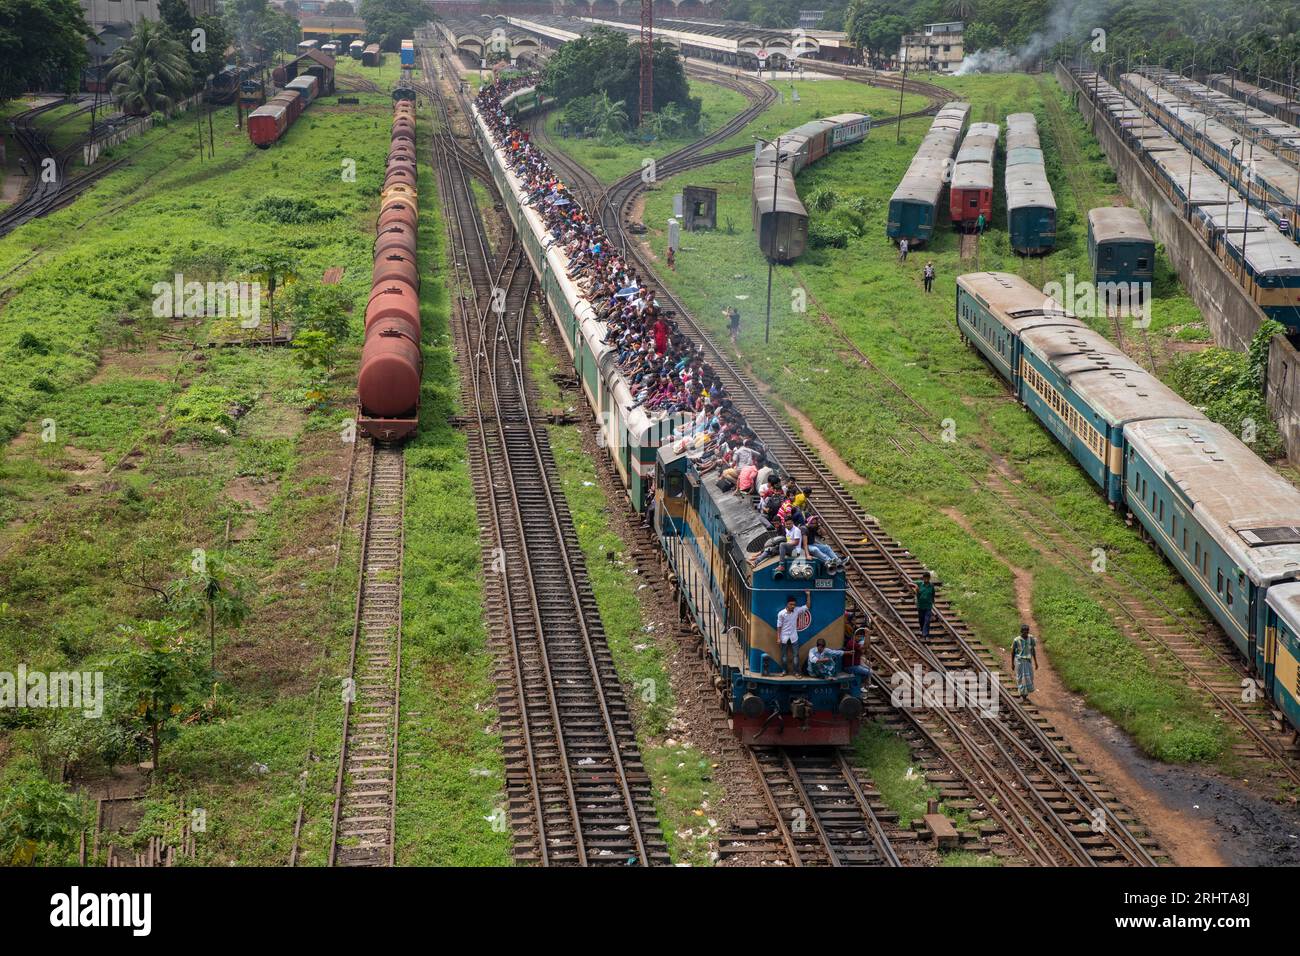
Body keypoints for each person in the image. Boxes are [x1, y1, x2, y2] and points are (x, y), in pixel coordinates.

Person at [775, 594, 806, 675]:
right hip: (784, 637)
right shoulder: (781, 613)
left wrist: (808, 595)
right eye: (791, 604)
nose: (793, 606)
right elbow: (779, 626)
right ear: (787, 604)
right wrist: (778, 638)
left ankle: (796, 672)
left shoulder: (797, 610)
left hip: (794, 637)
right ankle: (784, 671)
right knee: (784, 656)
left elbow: (807, 606)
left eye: (794, 605)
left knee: (796, 656)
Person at [1012, 624, 1038, 698]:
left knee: (1029, 676)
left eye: (1027, 631)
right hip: (1019, 661)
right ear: (1021, 632)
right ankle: (1022, 692)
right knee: (1020, 677)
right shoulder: (1016, 640)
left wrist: (1036, 662)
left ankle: (1026, 692)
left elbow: (1033, 650)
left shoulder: (1031, 638)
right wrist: (1012, 663)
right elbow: (1013, 651)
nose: (1026, 633)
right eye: (1024, 632)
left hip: (1028, 661)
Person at [914, 571, 936, 640]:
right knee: (921, 620)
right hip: (920, 605)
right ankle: (922, 629)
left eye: (927, 578)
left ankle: (926, 635)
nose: (926, 579)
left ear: (929, 578)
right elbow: (910, 583)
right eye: (925, 578)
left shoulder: (931, 586)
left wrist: (932, 601)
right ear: (923, 578)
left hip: (928, 606)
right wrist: (915, 587)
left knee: (927, 620)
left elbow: (933, 594)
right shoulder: (920, 584)